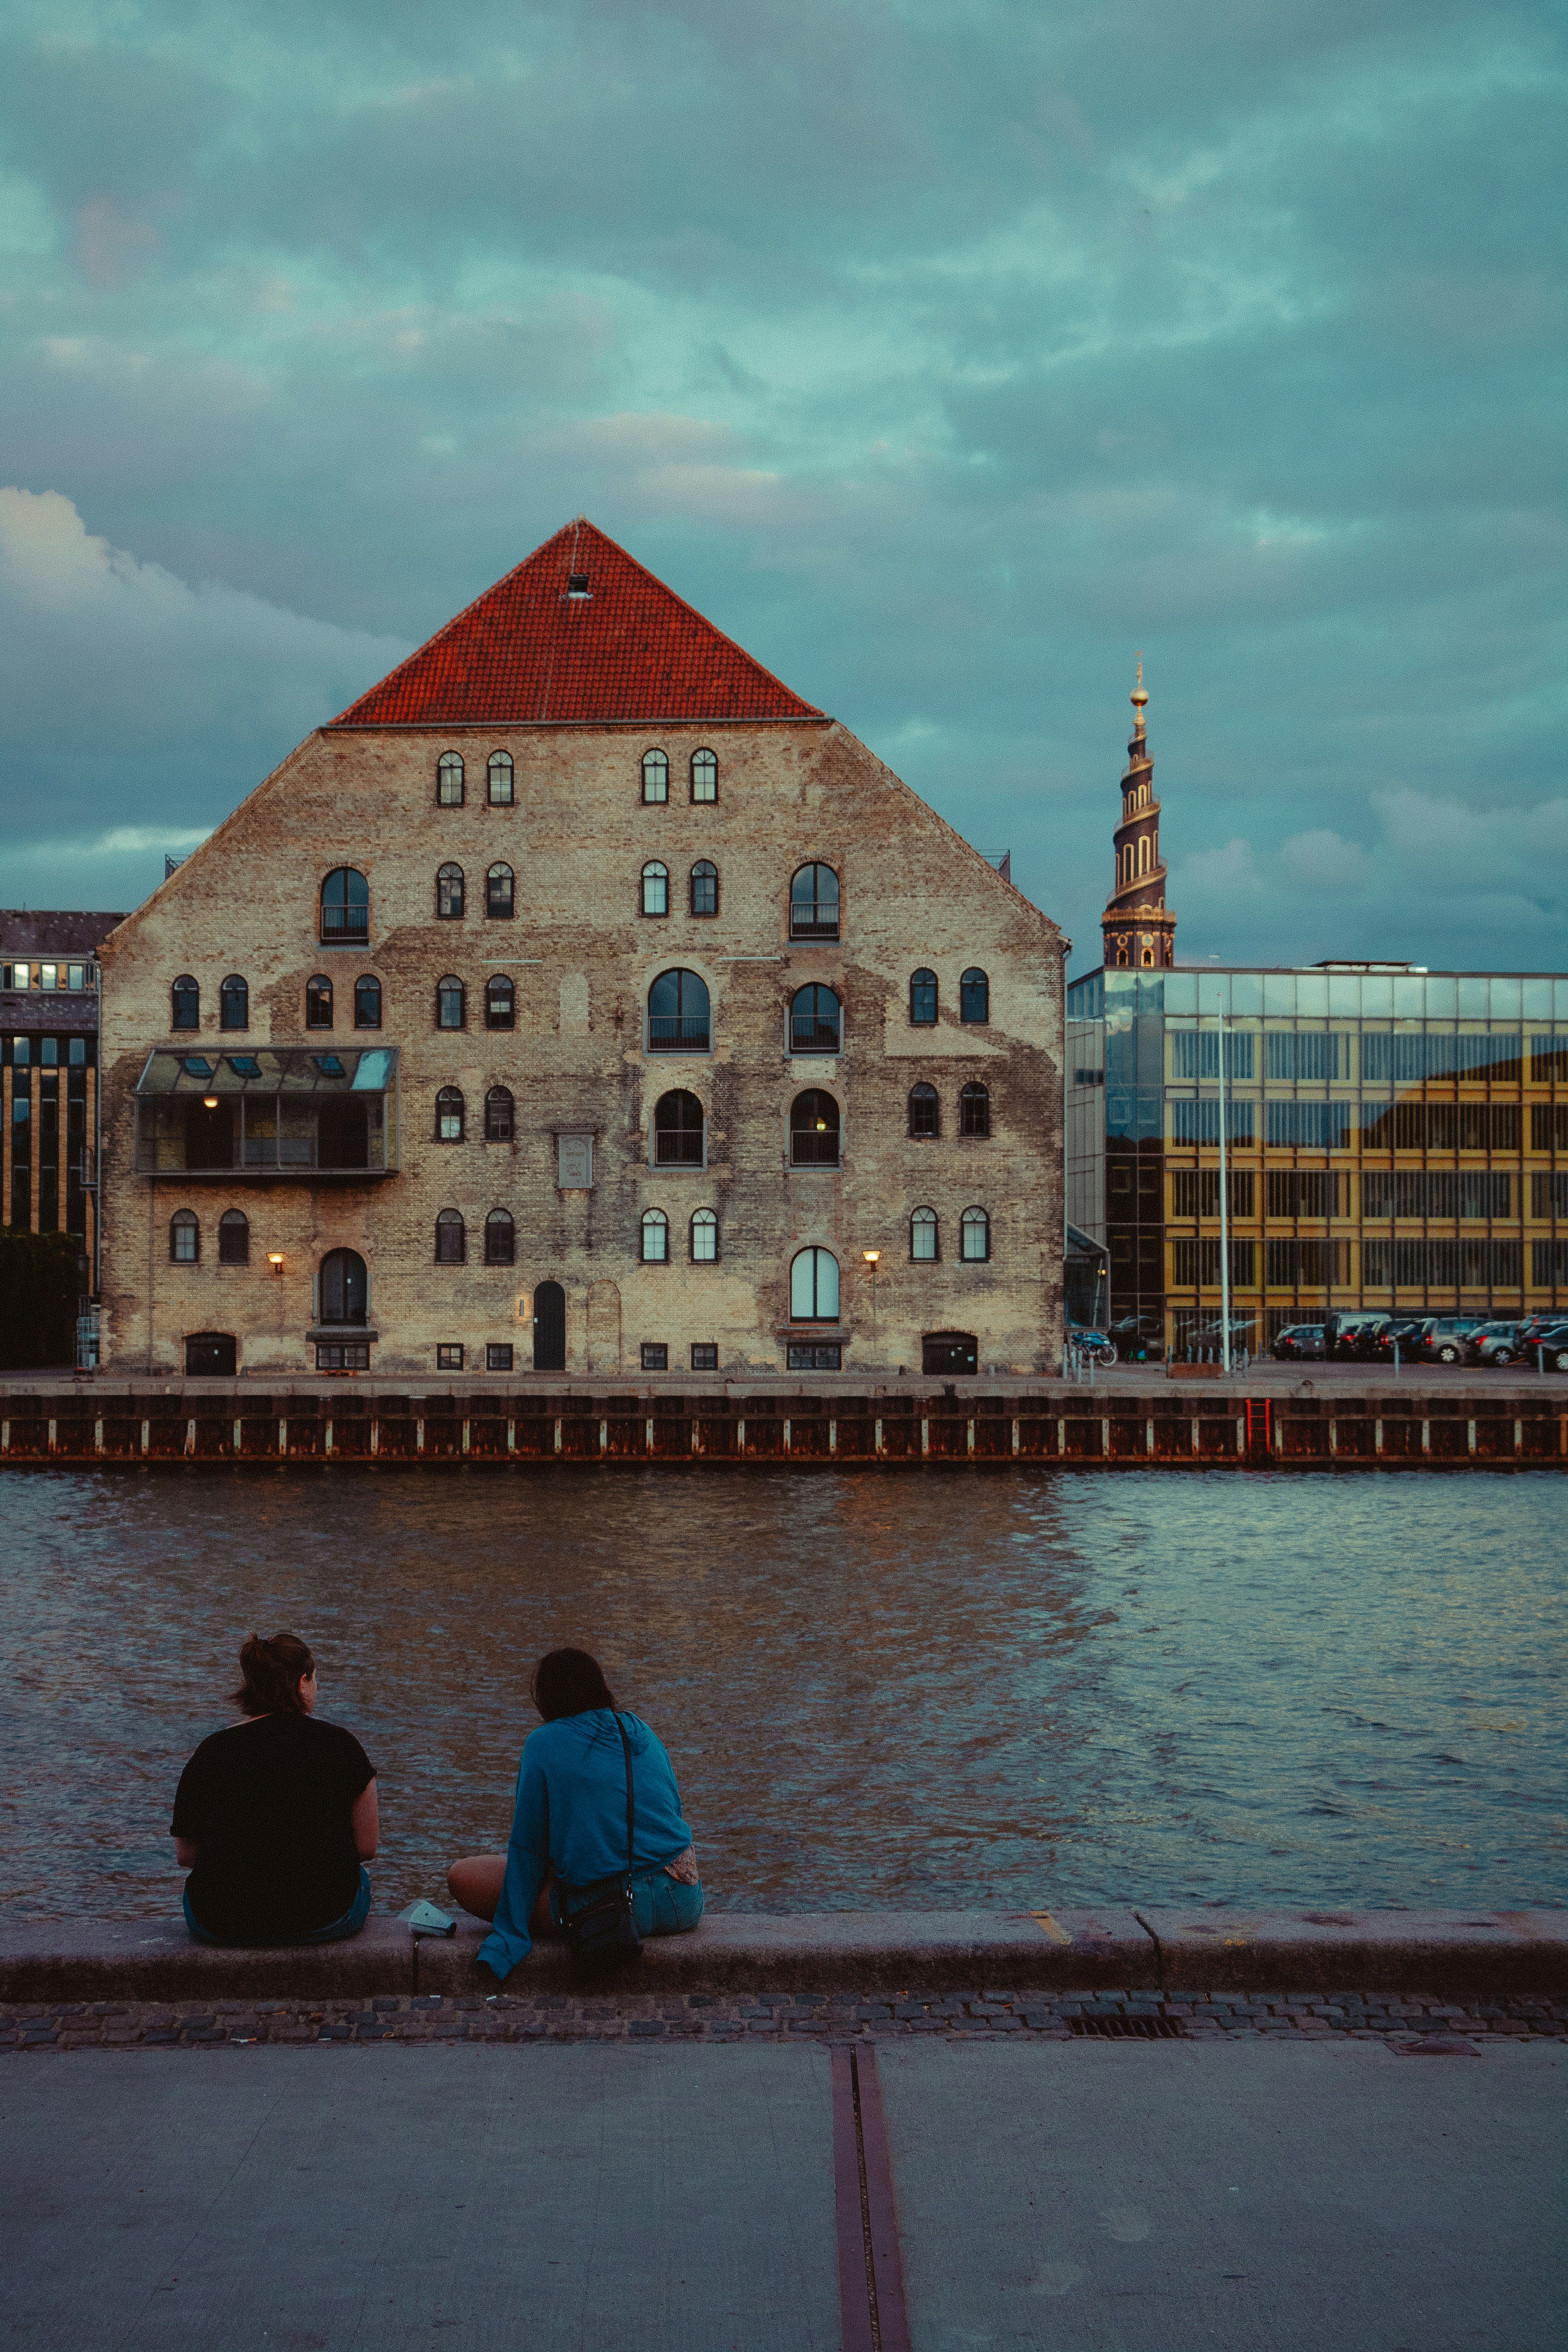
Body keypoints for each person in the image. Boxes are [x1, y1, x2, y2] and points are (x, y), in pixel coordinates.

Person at [448, 1647, 702, 1980]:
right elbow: (670, 1815)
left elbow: (528, 1849)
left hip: (611, 1909)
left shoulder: (543, 1742)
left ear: (547, 1699)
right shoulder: (642, 1731)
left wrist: (509, 1932)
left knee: (463, 1876)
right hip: (682, 1902)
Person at [171, 1632, 378, 1946]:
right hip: (325, 1917)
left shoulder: (210, 1751)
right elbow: (366, 1848)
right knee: (359, 1880)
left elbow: (187, 1856)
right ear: (302, 1682)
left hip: (221, 1921)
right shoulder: (343, 1746)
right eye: (315, 1679)